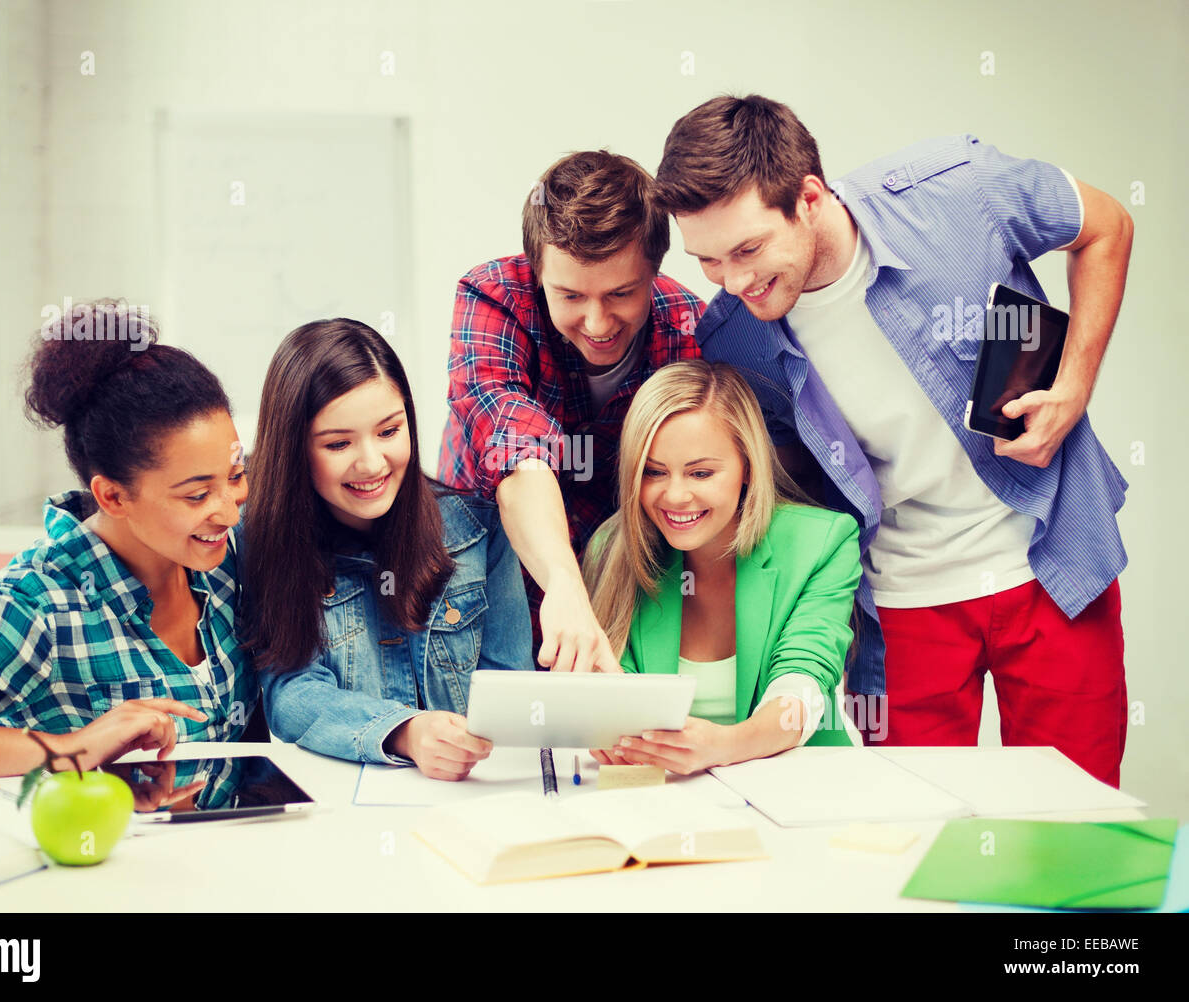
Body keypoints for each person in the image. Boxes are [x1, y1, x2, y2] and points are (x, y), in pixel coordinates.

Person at [654, 94, 1134, 784]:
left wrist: (1075, 385)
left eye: (749, 249)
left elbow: (1107, 225)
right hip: (902, 605)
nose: (733, 280)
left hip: (1049, 557)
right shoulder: (734, 336)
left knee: (1080, 824)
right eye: (707, 261)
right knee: (914, 837)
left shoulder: (959, 191)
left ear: (810, 198)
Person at [0, 300, 257, 783]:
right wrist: (69, 749)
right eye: (196, 494)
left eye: (236, 475)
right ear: (112, 496)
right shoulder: (37, 605)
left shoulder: (222, 562)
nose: (229, 510)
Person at [438, 150, 703, 673]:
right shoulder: (491, 297)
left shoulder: (690, 330)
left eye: (622, 293)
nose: (598, 321)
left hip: (622, 583)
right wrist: (564, 584)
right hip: (478, 572)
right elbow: (519, 453)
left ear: (654, 270)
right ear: (538, 272)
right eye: (571, 295)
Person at [241, 319, 532, 782]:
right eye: (338, 443)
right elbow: (291, 694)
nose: (372, 463)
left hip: (473, 797)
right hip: (347, 810)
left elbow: (511, 689)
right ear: (293, 450)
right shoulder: (257, 538)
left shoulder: (479, 530)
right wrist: (404, 733)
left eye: (389, 431)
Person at [581, 359, 861, 775]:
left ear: (747, 466)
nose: (675, 496)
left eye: (701, 472)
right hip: (664, 798)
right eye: (654, 472)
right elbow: (608, 696)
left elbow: (802, 682)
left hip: (803, 787)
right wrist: (606, 729)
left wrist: (725, 745)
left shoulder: (822, 541)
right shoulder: (612, 547)